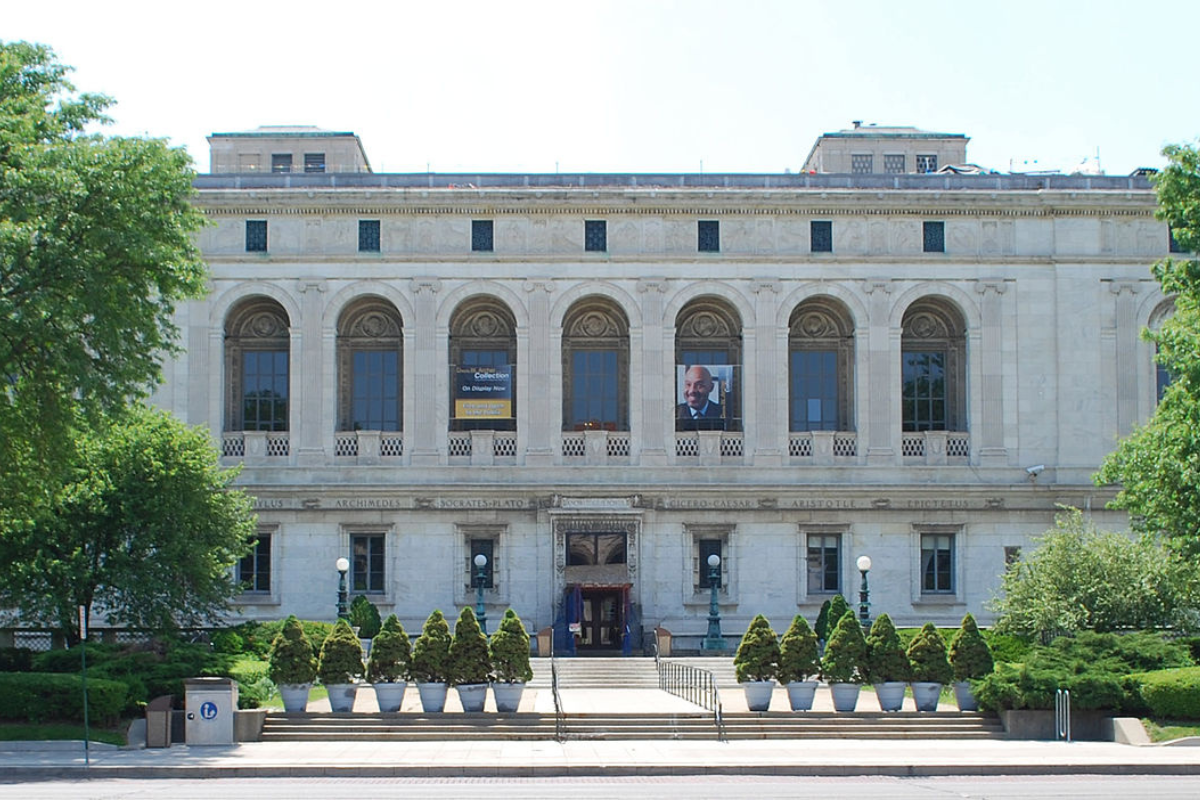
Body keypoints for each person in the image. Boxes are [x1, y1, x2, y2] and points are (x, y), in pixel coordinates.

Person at [676, 365, 724, 430]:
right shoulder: (676, 413)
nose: (691, 391)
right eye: (688, 385)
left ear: (711, 387)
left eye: (699, 385)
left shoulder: (720, 412)